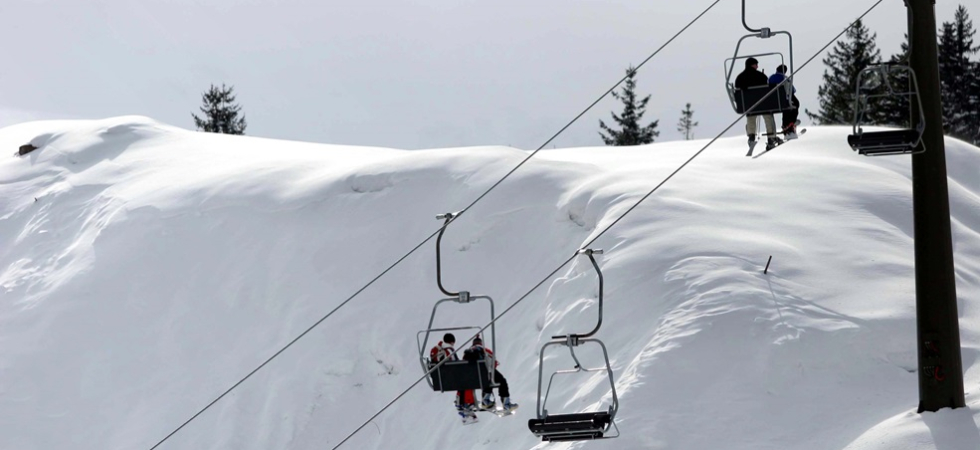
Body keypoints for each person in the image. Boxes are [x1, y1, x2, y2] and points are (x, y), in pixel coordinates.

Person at [734, 57, 782, 149]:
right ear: (752, 65)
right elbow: (767, 88)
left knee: (751, 117)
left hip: (748, 105)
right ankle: (771, 137)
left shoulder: (740, 78)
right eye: (756, 64)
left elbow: (737, 91)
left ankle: (751, 136)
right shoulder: (761, 76)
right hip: (763, 104)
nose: (757, 66)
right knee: (768, 117)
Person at [430, 333, 478, 422]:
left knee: (463, 382)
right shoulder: (449, 349)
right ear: (452, 342)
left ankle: (461, 403)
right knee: (468, 381)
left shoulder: (440, 349)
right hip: (450, 375)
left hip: (441, 376)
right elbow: (454, 362)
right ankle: (467, 404)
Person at [463, 337, 518, 412]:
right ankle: (506, 403)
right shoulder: (484, 350)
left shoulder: (467, 353)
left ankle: (486, 400)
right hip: (485, 374)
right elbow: (493, 361)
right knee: (501, 380)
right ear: (481, 343)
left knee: (487, 379)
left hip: (473, 378)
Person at [768, 64, 801, 139]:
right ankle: (791, 123)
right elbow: (791, 90)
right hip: (784, 100)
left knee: (786, 107)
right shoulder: (785, 78)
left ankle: (785, 125)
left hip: (773, 102)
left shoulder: (770, 78)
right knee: (794, 104)